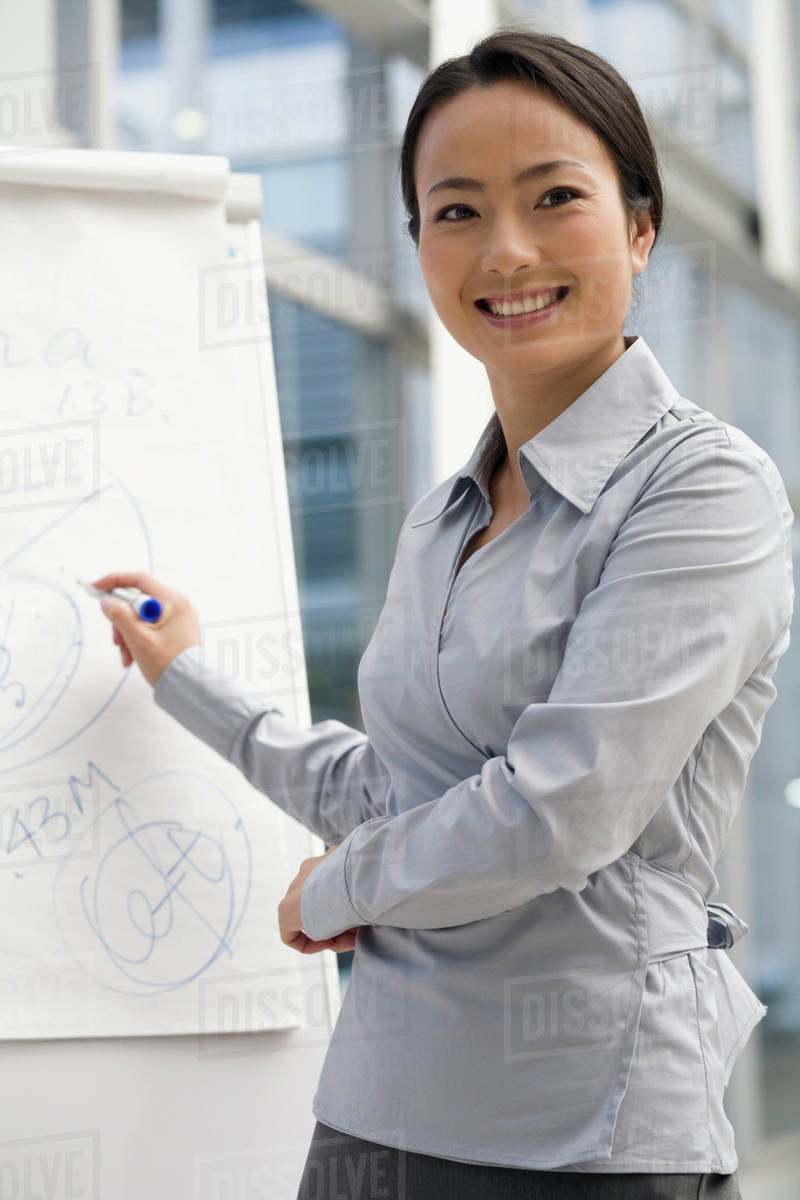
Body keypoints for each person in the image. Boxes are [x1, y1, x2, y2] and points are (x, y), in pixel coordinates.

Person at [95, 25, 795, 1200]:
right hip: (375, 1108)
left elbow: (558, 808)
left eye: (552, 197)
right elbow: (394, 789)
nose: (505, 250)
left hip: (579, 1126)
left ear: (638, 224)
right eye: (456, 210)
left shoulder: (703, 486)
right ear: (418, 243)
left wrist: (335, 889)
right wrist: (185, 678)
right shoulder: (440, 518)